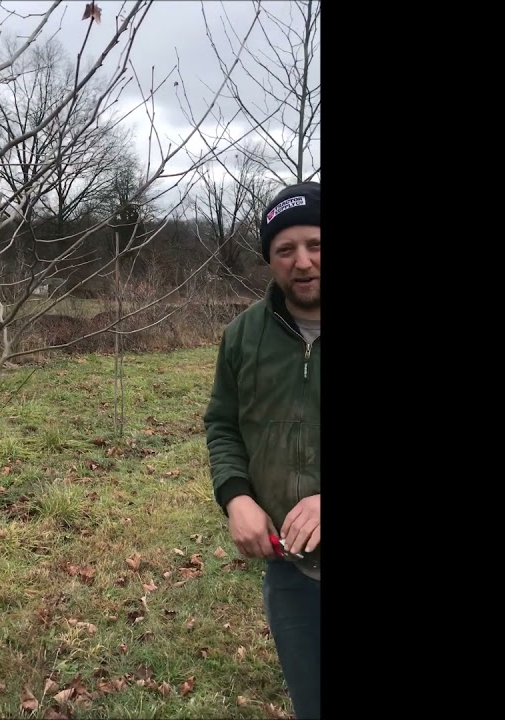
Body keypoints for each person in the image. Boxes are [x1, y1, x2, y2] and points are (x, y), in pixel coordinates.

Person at [204, 181, 321, 719]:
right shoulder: (243, 336)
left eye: (316, 244)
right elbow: (223, 424)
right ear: (269, 259)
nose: (303, 262)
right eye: (285, 249)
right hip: (290, 569)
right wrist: (236, 497)